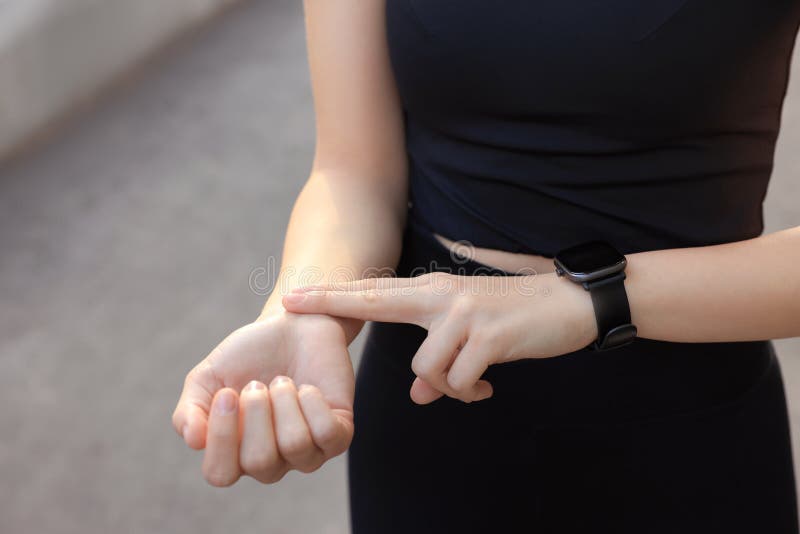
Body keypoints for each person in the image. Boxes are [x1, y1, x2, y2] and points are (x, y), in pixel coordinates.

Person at [172, 1, 800, 531]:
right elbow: (353, 173)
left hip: (692, 426)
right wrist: (303, 312)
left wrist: (586, 300)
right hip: (430, 405)